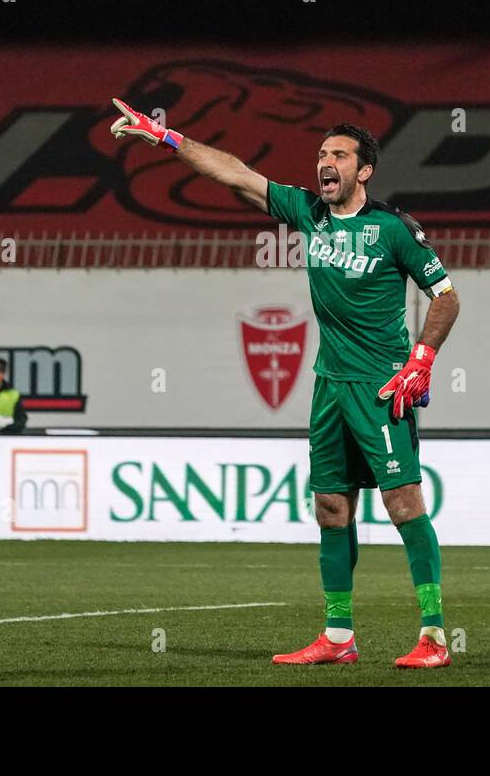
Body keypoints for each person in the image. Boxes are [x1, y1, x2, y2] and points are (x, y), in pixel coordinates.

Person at [109, 98, 460, 669]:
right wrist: (167, 139)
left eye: (339, 155)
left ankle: (434, 636)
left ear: (363, 170)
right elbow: (236, 173)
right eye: (322, 153)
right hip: (329, 386)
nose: (326, 162)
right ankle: (339, 636)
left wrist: (421, 359)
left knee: (402, 502)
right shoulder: (308, 213)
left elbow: (446, 297)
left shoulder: (393, 229)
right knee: (329, 508)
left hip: (381, 386)